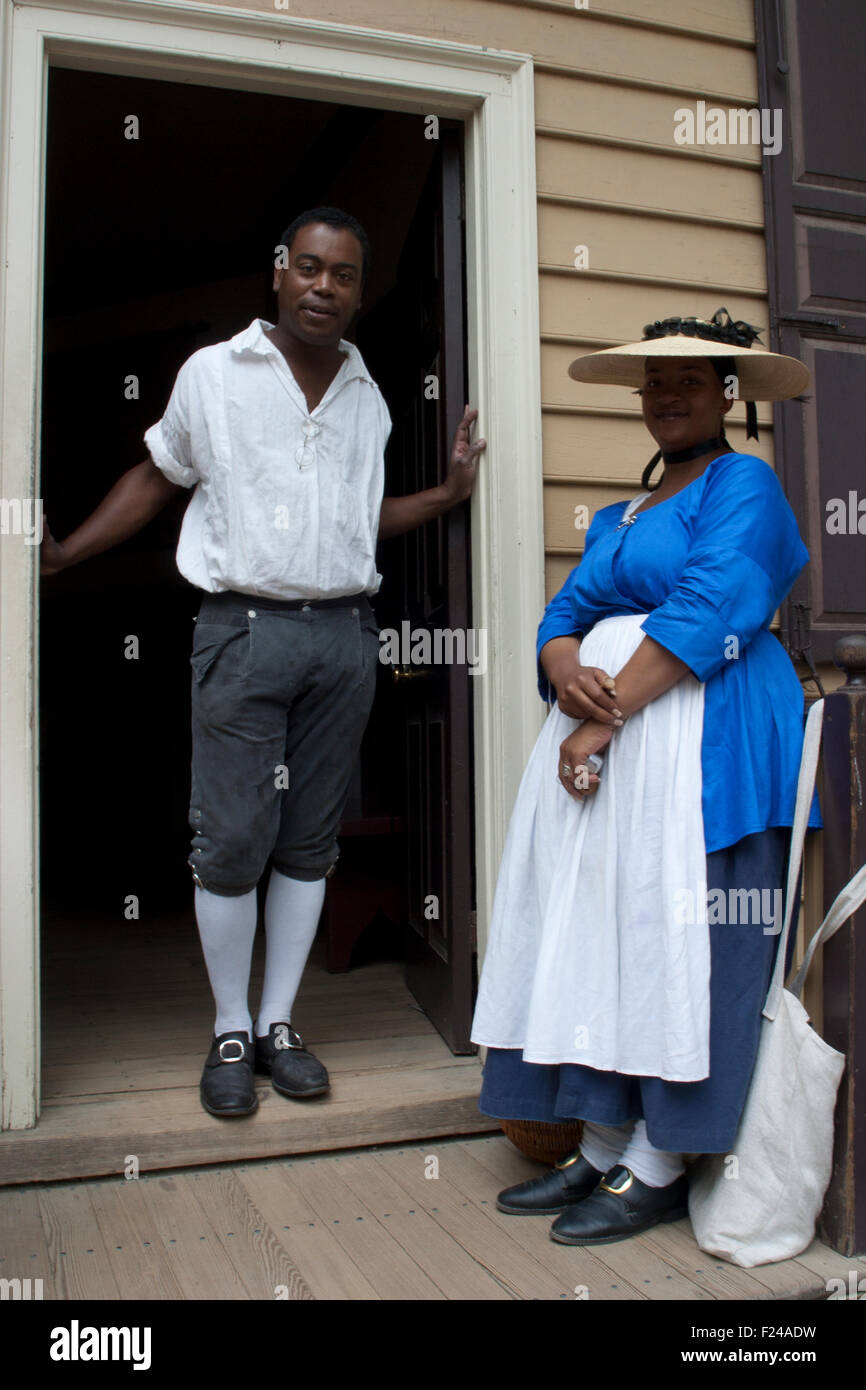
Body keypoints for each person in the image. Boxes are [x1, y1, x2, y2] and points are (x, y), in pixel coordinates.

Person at [40, 206, 485, 1119]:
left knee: (309, 841)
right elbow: (158, 474)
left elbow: (363, 522)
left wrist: (444, 494)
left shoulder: (368, 395)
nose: (326, 286)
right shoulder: (215, 374)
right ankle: (231, 1027)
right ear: (280, 272)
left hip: (343, 636)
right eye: (311, 268)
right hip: (242, 630)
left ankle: (282, 1025)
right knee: (233, 838)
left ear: (358, 292)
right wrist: (66, 553)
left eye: (346, 275)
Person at [470, 308, 819, 1246]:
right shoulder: (628, 512)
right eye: (654, 384)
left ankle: (665, 1161)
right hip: (620, 759)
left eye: (689, 382)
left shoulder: (744, 484)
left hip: (704, 747)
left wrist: (595, 720)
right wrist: (559, 668)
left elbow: (713, 609)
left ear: (725, 393)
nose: (667, 397)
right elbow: (564, 610)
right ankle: (603, 1138)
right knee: (608, 941)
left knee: (690, 940)